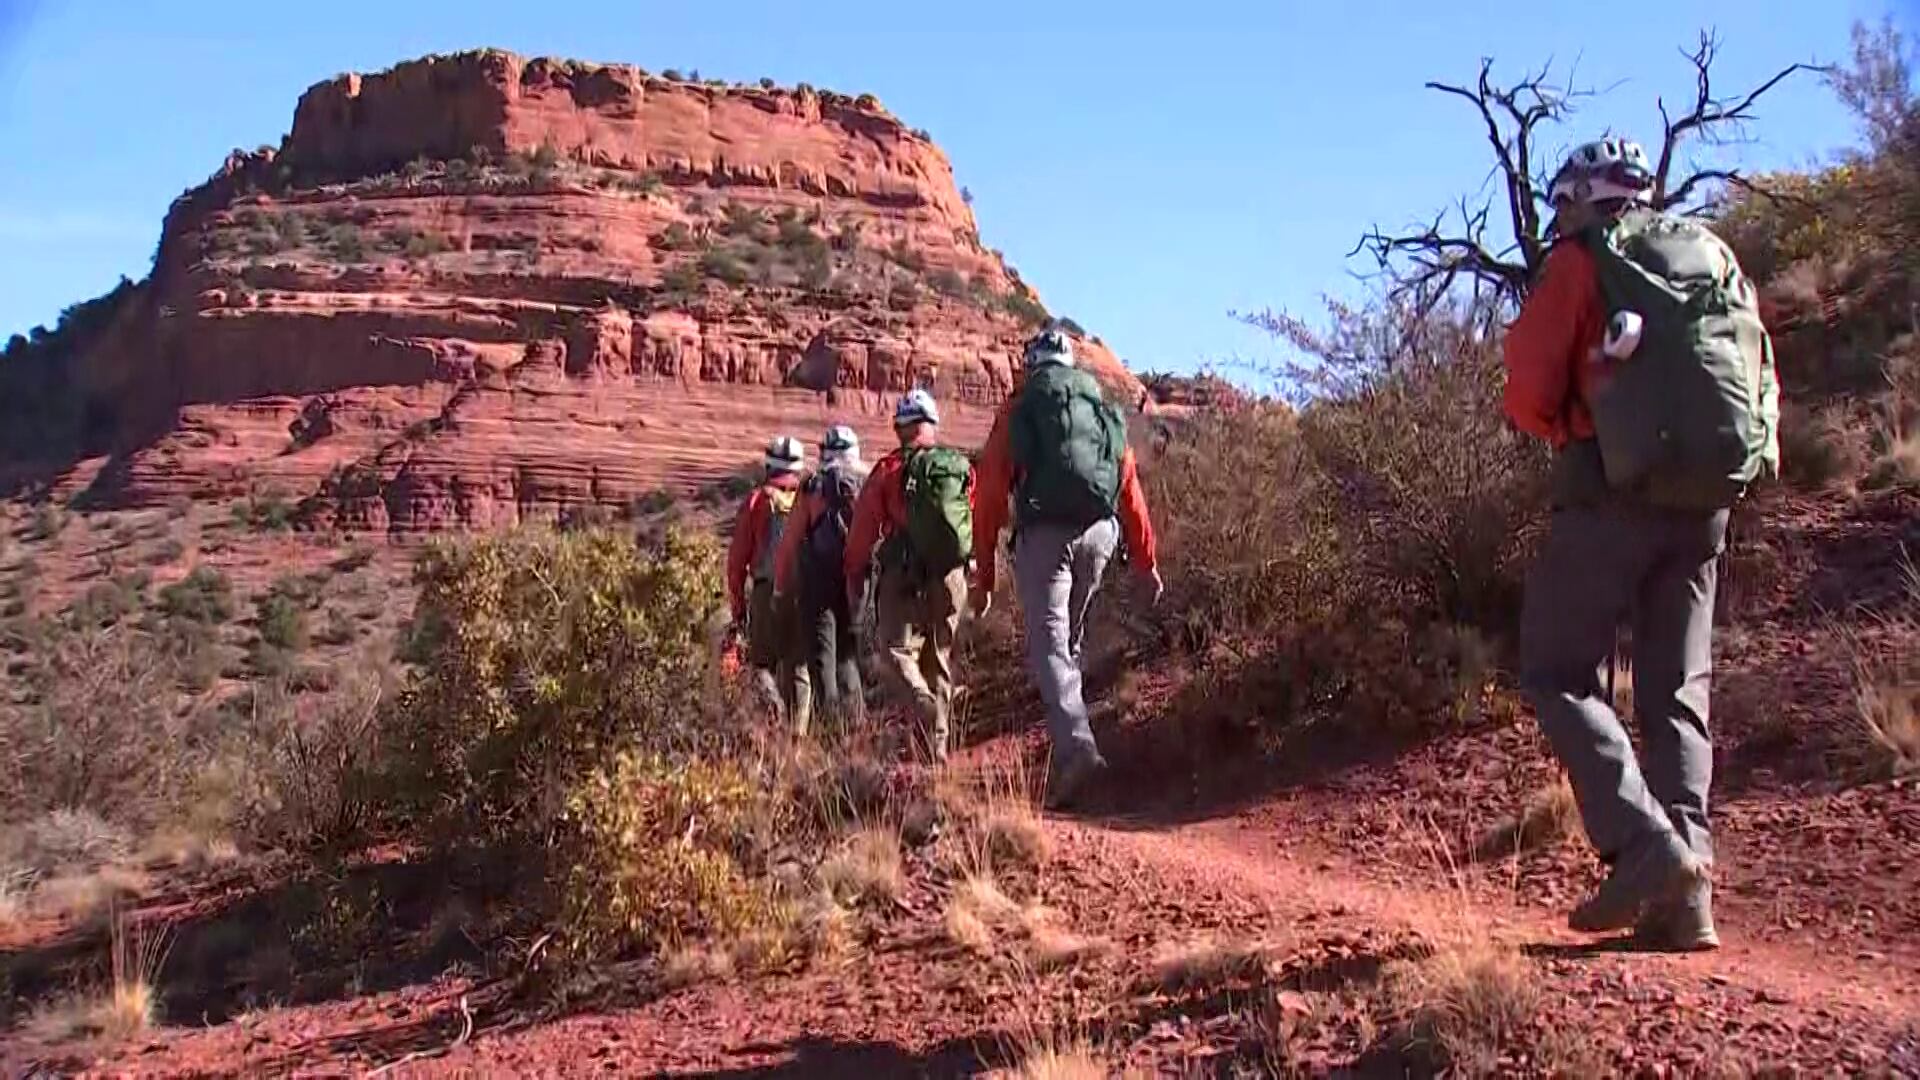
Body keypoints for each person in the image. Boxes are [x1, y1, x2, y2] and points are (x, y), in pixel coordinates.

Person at [1505, 137, 1779, 950]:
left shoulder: (1581, 263)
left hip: (1609, 495)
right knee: (1677, 693)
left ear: (1584, 199)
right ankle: (1687, 898)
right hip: (1708, 503)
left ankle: (1645, 848)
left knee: (1558, 672)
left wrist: (1580, 417)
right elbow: (1759, 370)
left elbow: (1527, 394)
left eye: (1563, 203)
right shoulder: (1711, 253)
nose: (1559, 218)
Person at [971, 326, 1163, 809]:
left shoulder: (1020, 407)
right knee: (1068, 643)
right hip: (1100, 533)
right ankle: (1069, 757)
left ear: (1032, 363)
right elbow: (1129, 485)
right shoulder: (1100, 408)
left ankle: (1079, 755)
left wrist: (985, 574)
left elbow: (990, 493)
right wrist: (1146, 561)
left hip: (1046, 537)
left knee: (1051, 648)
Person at [844, 390, 975, 763]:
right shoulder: (958, 467)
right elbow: (970, 519)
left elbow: (862, 532)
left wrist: (854, 572)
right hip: (950, 572)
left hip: (902, 571)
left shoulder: (888, 470)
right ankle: (937, 747)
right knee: (940, 655)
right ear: (931, 424)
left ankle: (921, 702)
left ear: (900, 428)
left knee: (896, 652)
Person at [775, 425, 869, 732]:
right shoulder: (869, 482)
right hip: (857, 580)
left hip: (818, 583)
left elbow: (789, 543)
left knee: (822, 660)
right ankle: (857, 730)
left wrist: (780, 588)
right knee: (848, 657)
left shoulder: (813, 486)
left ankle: (831, 734)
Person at [726, 435, 814, 733]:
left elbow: (736, 562)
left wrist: (738, 608)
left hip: (766, 591)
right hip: (803, 592)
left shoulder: (757, 500)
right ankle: (798, 734)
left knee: (761, 664)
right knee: (799, 666)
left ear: (769, 465)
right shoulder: (810, 498)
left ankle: (772, 722)